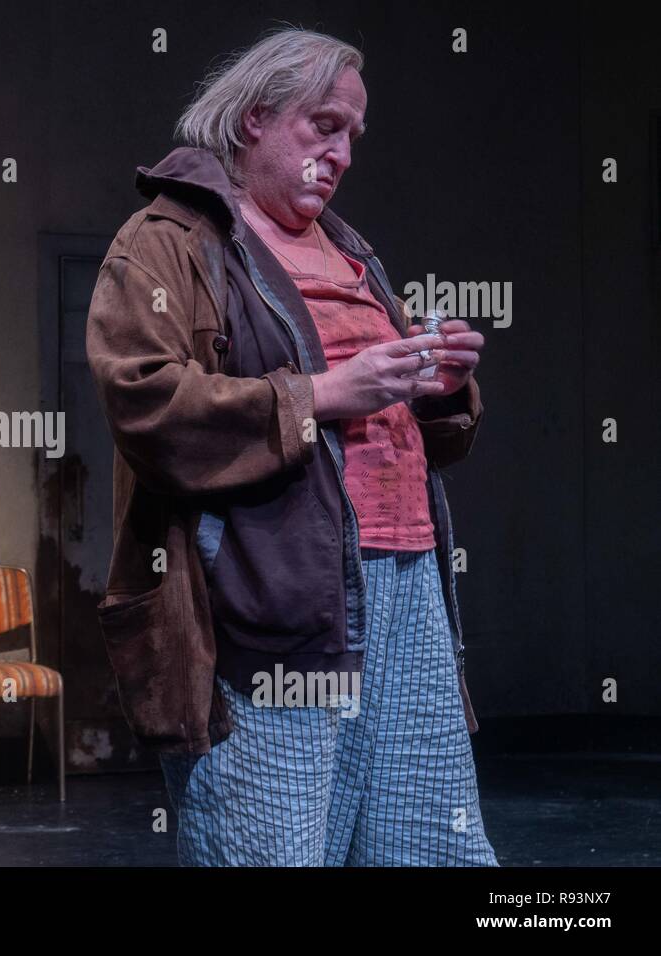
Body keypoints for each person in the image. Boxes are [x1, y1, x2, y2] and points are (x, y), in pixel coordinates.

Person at [85, 27, 498, 866]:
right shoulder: (170, 240)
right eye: (324, 125)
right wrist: (327, 394)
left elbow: (411, 435)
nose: (343, 152)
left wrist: (439, 384)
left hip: (407, 587)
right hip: (268, 600)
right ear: (255, 120)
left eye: (352, 135)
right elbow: (145, 404)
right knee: (269, 843)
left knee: (429, 847)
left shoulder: (350, 252)